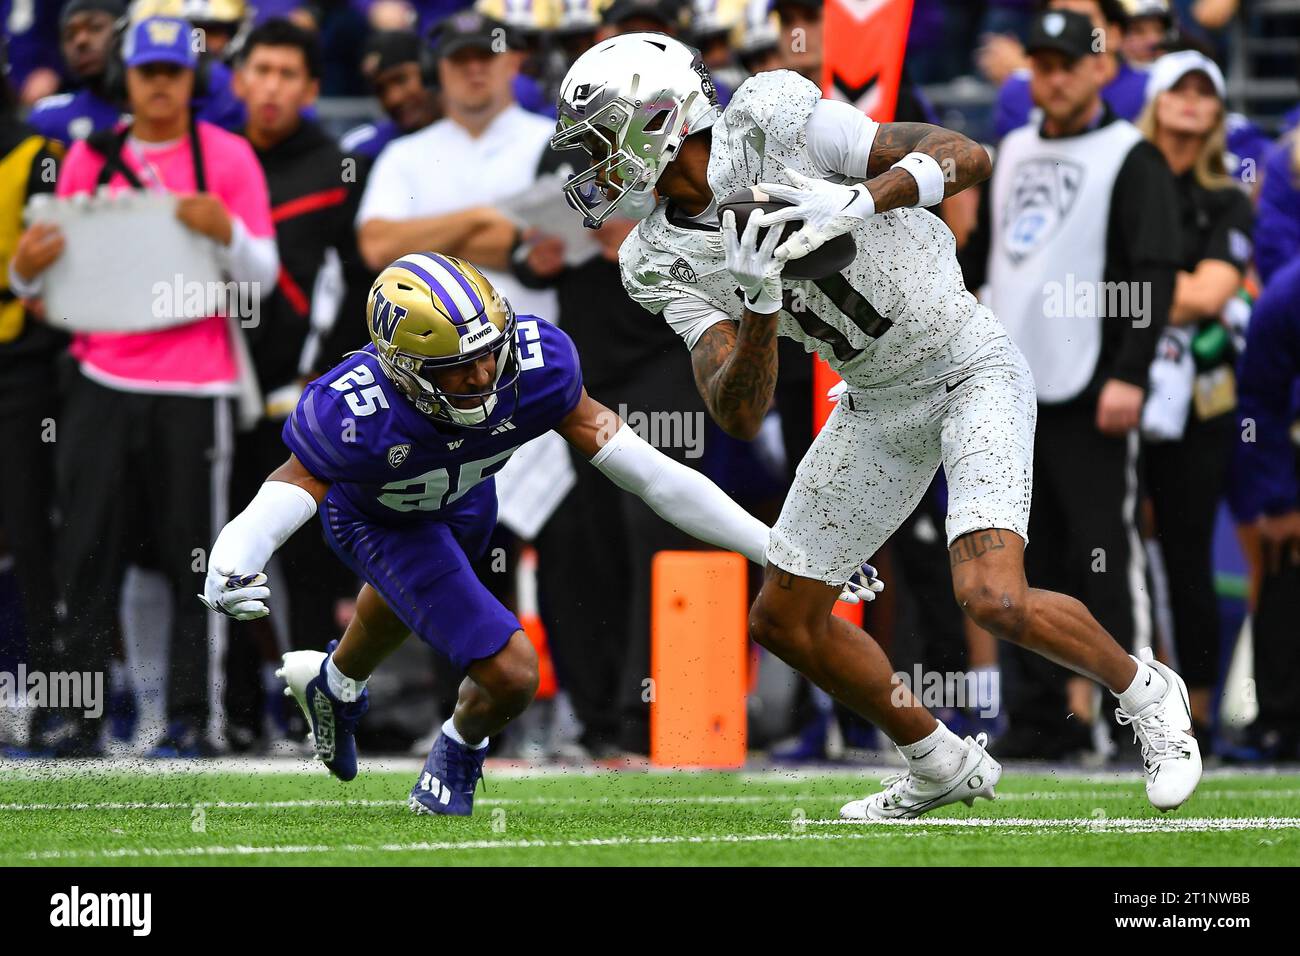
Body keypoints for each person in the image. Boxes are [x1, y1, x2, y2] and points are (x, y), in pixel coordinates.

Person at [553, 29, 1201, 816]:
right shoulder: (654, 258)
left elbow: (966, 154)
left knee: (991, 596)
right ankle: (938, 760)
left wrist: (860, 197)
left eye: (599, 140)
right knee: (783, 618)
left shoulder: (770, 114)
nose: (591, 164)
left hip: (968, 365)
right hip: (874, 401)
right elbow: (736, 409)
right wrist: (758, 304)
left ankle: (1144, 692)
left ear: (657, 119)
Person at [199, 253, 882, 813]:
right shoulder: (355, 409)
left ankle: (337, 684)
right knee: (511, 672)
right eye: (455, 369)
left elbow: (652, 475)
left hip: (466, 503)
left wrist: (780, 548)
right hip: (378, 516)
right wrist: (235, 555)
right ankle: (459, 749)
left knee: (409, 594)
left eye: (487, 355)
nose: (481, 376)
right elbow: (288, 489)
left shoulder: (535, 363)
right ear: (403, 369)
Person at [8, 15, 278, 757]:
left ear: (192, 78)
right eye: (148, 70)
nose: (161, 83)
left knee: (200, 554)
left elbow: (262, 277)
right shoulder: (90, 156)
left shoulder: (226, 156)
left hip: (196, 380)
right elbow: (42, 288)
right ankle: (76, 715)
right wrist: (27, 264)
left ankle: (196, 715)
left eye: (173, 70)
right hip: (100, 371)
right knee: (85, 551)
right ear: (127, 75)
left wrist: (225, 232)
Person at [978, 10, 1182, 758]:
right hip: (1011, 389)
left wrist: (1130, 374)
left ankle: (1141, 720)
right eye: (1041, 63)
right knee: (1023, 563)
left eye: (1067, 63)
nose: (1053, 77)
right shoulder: (1013, 148)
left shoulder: (1133, 156)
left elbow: (1156, 270)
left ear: (1101, 69)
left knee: (1107, 554)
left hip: (1094, 385)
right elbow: (991, 257)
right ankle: (1043, 724)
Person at [228, 17, 368, 744]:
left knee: (310, 560)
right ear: (238, 78)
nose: (273, 86)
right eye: (262, 70)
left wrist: (326, 378)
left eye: (289, 73)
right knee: (221, 547)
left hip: (304, 399)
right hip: (215, 390)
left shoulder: (336, 167)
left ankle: (313, 706)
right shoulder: (213, 157)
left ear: (313, 88)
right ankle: (232, 712)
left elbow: (356, 279)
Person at [1138, 50, 1253, 737]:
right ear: (1154, 101)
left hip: (1203, 400)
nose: (1189, 102)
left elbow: (1211, 294)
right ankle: (1120, 708)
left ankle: (1200, 716)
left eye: (1201, 91)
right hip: (1111, 387)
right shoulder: (1126, 184)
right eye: (1175, 89)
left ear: (1216, 111)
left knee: (1186, 555)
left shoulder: (1226, 197)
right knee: (1103, 552)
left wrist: (1136, 293)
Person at [354, 11, 555, 323]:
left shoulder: (554, 141)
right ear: (439, 69)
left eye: (486, 56)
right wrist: (483, 218)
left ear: (512, 62)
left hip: (538, 341)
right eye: (460, 58)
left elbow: (555, 253)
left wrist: (422, 243)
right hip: (435, 357)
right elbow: (377, 247)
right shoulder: (402, 154)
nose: (473, 69)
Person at [0, 35, 65, 753]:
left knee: (30, 530)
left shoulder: (36, 150)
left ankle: (52, 698)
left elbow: (55, 269)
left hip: (19, 363)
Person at [1229, 256, 1300, 760]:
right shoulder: (1286, 297)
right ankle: (1279, 718)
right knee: (1285, 557)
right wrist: (1279, 501)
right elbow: (1258, 401)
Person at [993, 0, 1148, 139]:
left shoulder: (1150, 87)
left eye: (1083, 20)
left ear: (1113, 35)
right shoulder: (1018, 89)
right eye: (1059, 17)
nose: (1068, 30)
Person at [28, 0, 126, 145]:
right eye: (69, 35)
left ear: (125, 32)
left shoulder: (161, 107)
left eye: (95, 28)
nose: (80, 41)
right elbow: (47, 168)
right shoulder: (49, 120)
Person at [339, 29, 441, 165]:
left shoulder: (470, 133)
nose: (393, 98)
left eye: (401, 80)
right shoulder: (356, 151)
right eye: (380, 89)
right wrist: (352, 180)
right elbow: (346, 180)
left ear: (430, 73)